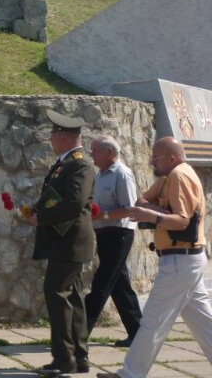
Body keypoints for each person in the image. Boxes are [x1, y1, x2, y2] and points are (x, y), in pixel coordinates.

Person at [97, 137, 212, 378]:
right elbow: (141, 201)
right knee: (203, 321)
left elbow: (182, 221)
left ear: (172, 158)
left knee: (152, 320)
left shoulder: (179, 176)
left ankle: (130, 374)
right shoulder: (169, 177)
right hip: (185, 259)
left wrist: (153, 215)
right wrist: (155, 210)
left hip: (180, 258)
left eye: (156, 157)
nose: (151, 161)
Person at [24, 109, 95, 376]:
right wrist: (35, 210)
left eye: (53, 134)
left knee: (58, 296)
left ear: (64, 137)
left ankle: (64, 360)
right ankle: (78, 357)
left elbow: (75, 203)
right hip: (65, 242)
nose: (51, 139)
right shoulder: (66, 163)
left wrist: (42, 218)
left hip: (70, 242)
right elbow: (56, 196)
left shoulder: (80, 164)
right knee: (72, 298)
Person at [84, 135, 142, 347]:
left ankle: (78, 334)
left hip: (119, 234)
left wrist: (104, 216)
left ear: (110, 152)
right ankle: (138, 332)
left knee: (102, 283)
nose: (92, 155)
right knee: (119, 285)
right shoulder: (101, 175)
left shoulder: (122, 174)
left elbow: (129, 208)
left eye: (95, 151)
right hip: (104, 234)